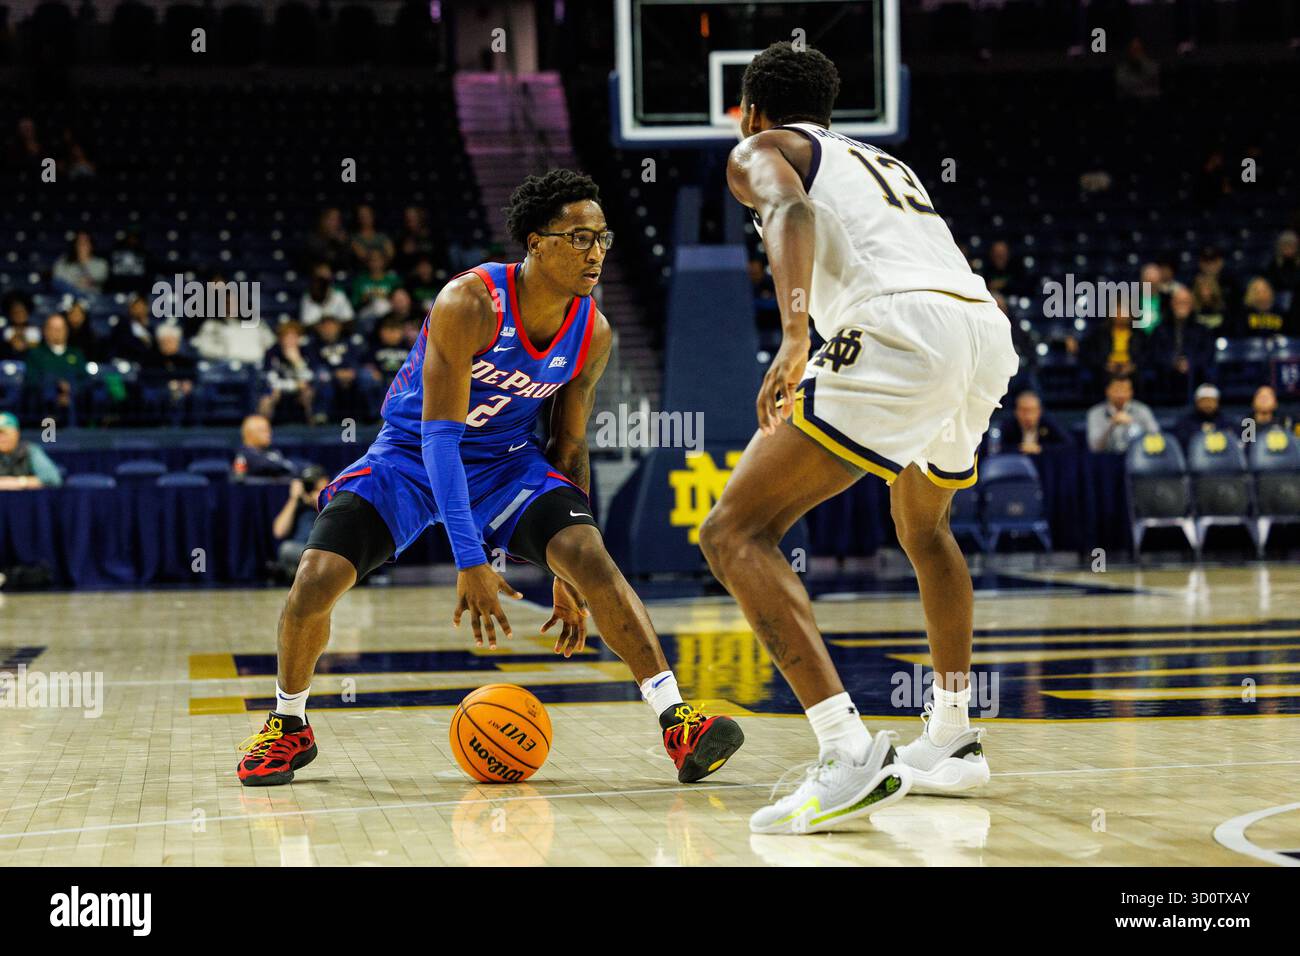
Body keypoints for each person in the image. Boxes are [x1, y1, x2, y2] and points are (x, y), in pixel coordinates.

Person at [236, 170, 744, 788]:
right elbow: (439, 440)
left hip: (507, 461)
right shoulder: (469, 303)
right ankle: (289, 725)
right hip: (411, 457)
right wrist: (470, 558)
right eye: (580, 237)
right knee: (314, 581)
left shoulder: (594, 332)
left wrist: (564, 569)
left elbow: (569, 444)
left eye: (603, 237)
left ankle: (676, 722)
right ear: (536, 242)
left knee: (590, 557)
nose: (597, 252)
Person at [701, 42, 1018, 835]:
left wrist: (795, 329)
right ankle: (949, 737)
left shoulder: (761, 149)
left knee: (734, 531)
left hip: (899, 327)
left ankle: (846, 753)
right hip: (981, 327)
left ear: (748, 111)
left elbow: (790, 211)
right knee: (925, 525)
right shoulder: (880, 161)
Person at [271, 466, 332, 581]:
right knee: (286, 549)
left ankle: (309, 574)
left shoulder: (333, 500)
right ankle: (313, 574)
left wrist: (319, 502)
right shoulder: (299, 504)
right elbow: (278, 531)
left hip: (324, 551)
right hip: (302, 551)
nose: (312, 489)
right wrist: (294, 499)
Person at [1086, 373, 1159, 453]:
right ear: (1107, 391)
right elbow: (1094, 447)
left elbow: (1156, 440)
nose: (1120, 395)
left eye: (1124, 390)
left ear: (1131, 392)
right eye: (1117, 390)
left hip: (1137, 458)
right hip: (1106, 459)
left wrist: (1132, 424)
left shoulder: (1142, 410)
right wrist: (1111, 425)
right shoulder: (1095, 413)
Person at [0, 412, 62, 490]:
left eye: (5, 433)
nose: (1, 438)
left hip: (27, 499)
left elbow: (52, 479)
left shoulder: (29, 450)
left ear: (16, 433)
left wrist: (19, 482)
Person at [1000, 390, 1068, 453]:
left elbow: (1067, 444)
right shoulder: (1008, 425)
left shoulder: (1049, 423)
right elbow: (999, 447)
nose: (1028, 416)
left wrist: (1040, 448)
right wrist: (1020, 448)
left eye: (1032, 410)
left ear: (1039, 411)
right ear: (1016, 411)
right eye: (1024, 410)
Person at [233, 413, 297, 479]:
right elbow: (263, 465)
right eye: (264, 431)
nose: (269, 434)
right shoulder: (242, 454)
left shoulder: (272, 451)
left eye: (269, 431)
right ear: (249, 433)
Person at [1172, 383, 1233, 451]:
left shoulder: (1227, 422)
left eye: (1211, 400)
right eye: (1204, 400)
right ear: (1197, 402)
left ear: (1217, 402)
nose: (1208, 404)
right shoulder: (1184, 424)